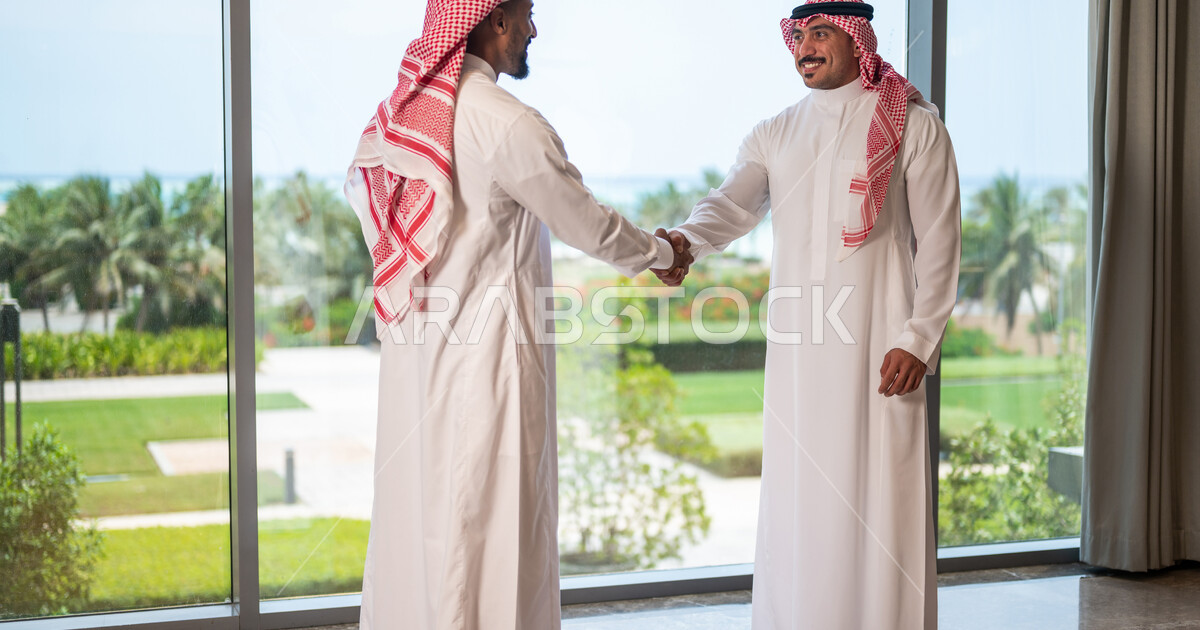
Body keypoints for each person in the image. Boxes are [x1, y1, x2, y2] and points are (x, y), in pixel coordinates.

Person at [343, 1, 689, 629]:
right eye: (528, 13)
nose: (535, 29)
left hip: (421, 355)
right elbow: (587, 222)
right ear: (495, 20)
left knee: (426, 517)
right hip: (488, 365)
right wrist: (662, 251)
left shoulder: (408, 116)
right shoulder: (505, 122)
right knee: (487, 525)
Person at [656, 1, 960, 628]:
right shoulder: (775, 131)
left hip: (884, 342)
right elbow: (732, 207)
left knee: (883, 493)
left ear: (857, 39)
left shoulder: (913, 125)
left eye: (821, 33)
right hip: (800, 348)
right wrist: (684, 243)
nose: (805, 47)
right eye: (798, 36)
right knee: (802, 495)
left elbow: (941, 239)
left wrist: (920, 338)